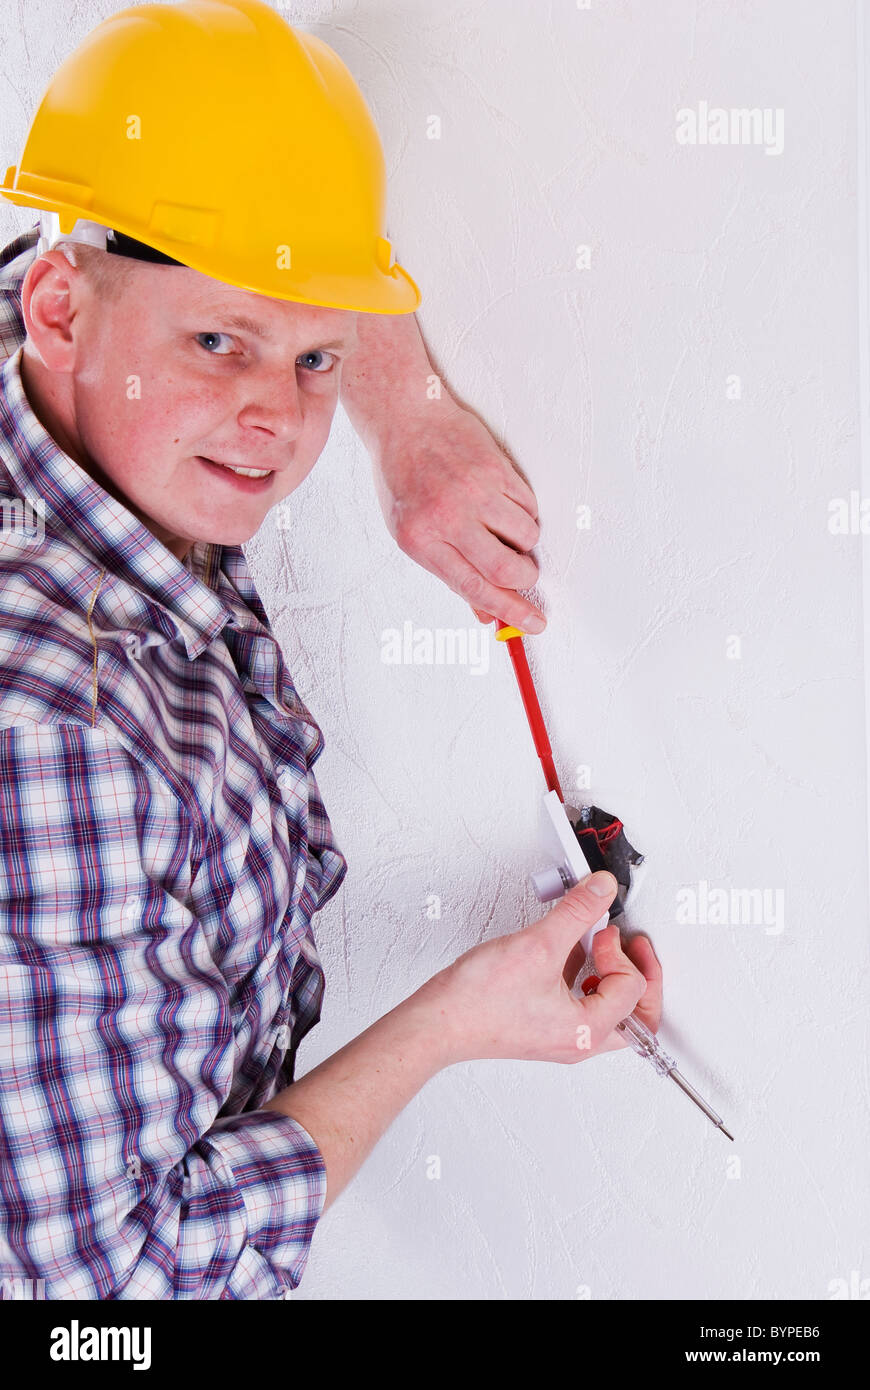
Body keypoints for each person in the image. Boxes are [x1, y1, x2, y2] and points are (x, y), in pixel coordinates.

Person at [0, 0, 662, 1300]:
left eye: (315, 357)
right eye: (217, 345)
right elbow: (112, 1302)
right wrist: (452, 1022)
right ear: (65, 312)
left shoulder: (48, 337)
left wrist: (402, 409)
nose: (273, 422)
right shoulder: (64, 729)